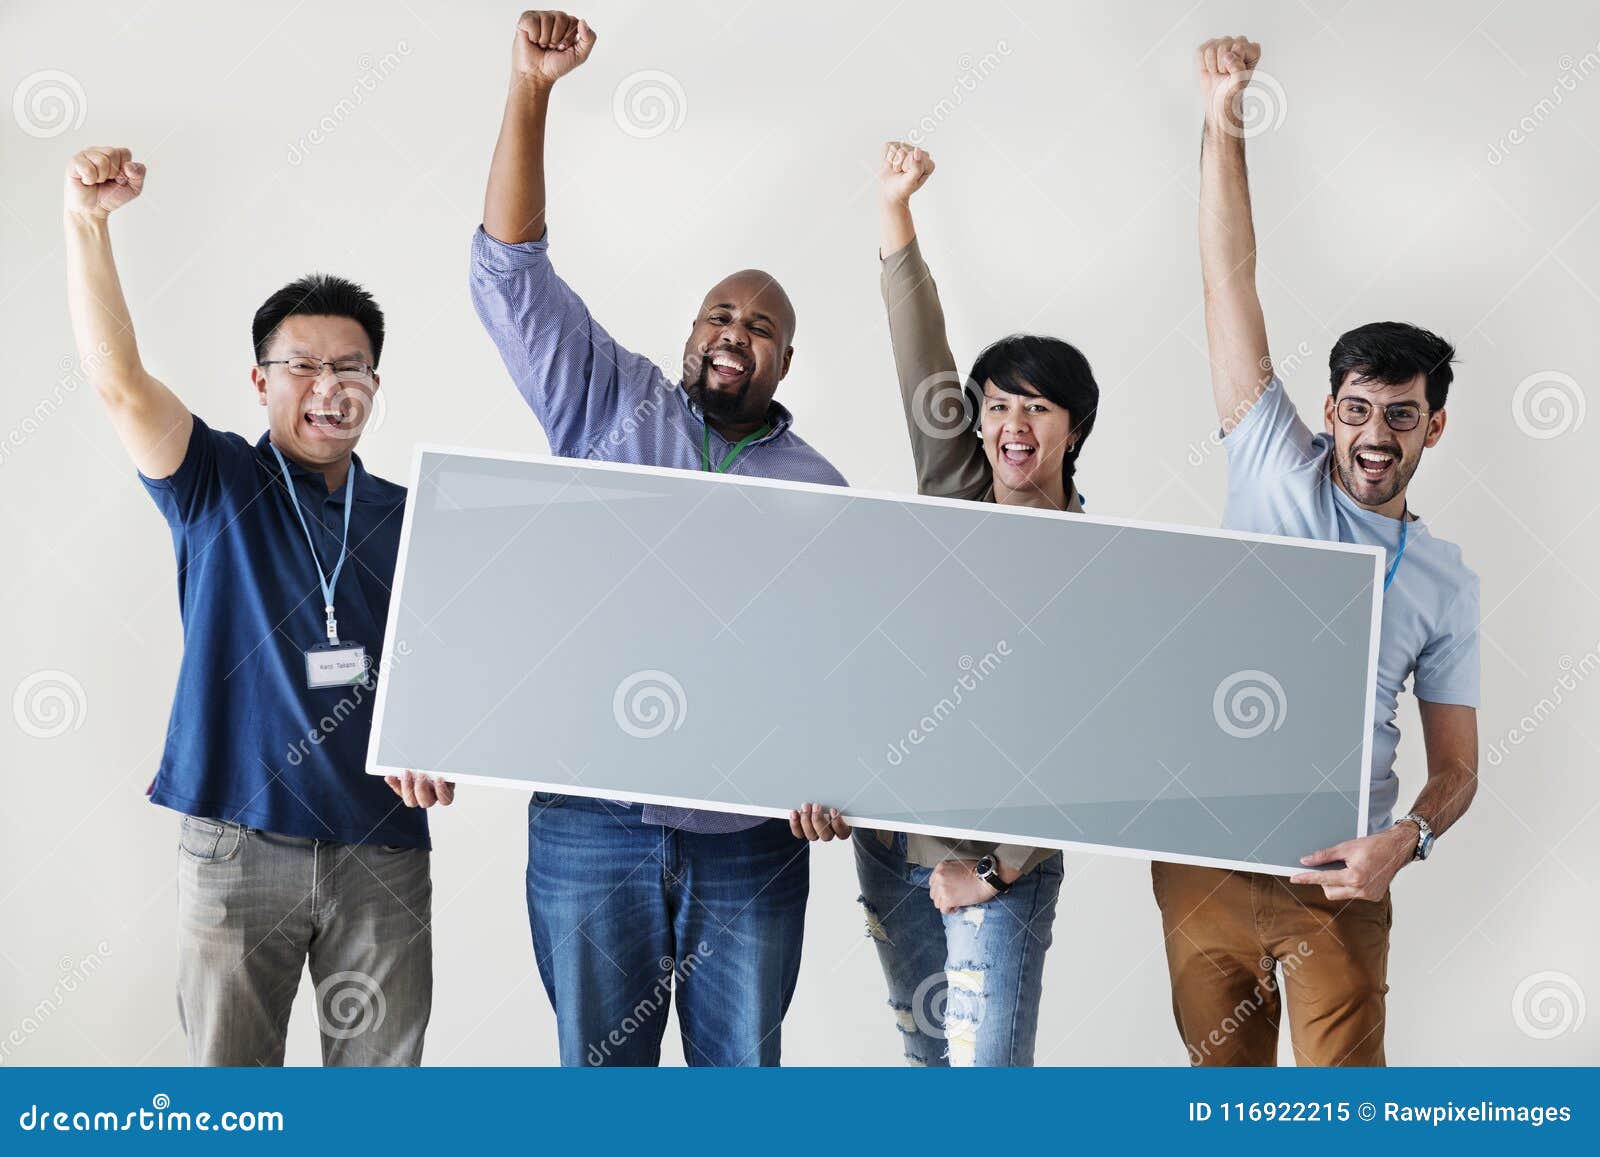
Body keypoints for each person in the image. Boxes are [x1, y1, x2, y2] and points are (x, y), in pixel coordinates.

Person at [461, 10, 847, 1067]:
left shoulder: (823, 490)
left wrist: (837, 772)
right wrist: (531, 89)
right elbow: (510, 276)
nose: (734, 330)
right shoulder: (609, 407)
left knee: (739, 1085)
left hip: (751, 839)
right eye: (719, 312)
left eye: (760, 325)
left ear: (785, 359)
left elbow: (848, 659)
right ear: (690, 333)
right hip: (593, 819)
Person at [63, 147, 445, 1065]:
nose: (328, 387)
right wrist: (87, 223)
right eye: (302, 364)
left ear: (376, 389)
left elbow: (460, 665)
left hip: (383, 851)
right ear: (259, 379)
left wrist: (445, 740)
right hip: (238, 843)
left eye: (350, 367)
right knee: (229, 1106)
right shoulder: (215, 481)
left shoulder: (417, 513)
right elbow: (119, 381)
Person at [1152, 37, 1481, 1067]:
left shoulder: (1443, 579)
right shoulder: (1268, 462)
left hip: (1337, 878)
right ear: (1328, 411)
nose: (1373, 433)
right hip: (1200, 855)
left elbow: (1458, 766)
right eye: (1355, 409)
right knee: (1218, 1110)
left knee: (1346, 1117)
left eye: (1399, 413)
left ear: (1432, 427)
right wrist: (1221, 117)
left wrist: (1408, 839)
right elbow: (1226, 279)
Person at [795, 142, 1099, 1066]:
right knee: (929, 1073)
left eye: (1037, 409)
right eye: (998, 406)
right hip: (892, 850)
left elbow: (1093, 746)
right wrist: (895, 210)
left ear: (1073, 428)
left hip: (1000, 866)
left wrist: (997, 868)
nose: (1013, 425)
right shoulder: (953, 499)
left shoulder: (1101, 565)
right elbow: (920, 359)